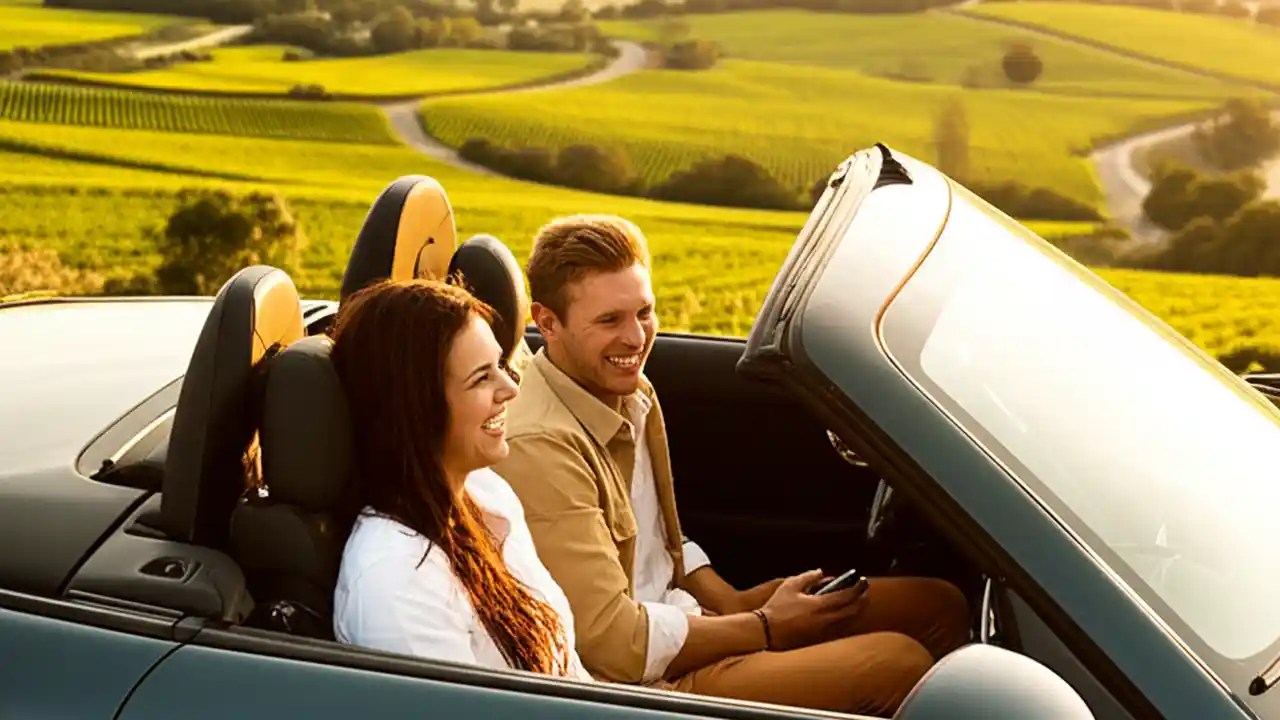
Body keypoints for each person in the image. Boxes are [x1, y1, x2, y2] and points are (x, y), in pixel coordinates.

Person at [492, 215, 971, 716]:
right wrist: (764, 626)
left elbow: (659, 541)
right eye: (610, 321)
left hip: (687, 619)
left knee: (939, 606)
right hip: (650, 682)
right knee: (898, 666)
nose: (636, 339)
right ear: (547, 322)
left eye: (645, 312)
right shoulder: (541, 446)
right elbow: (613, 645)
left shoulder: (630, 393)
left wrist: (733, 602)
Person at [329, 278, 591, 682]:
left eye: (501, 366)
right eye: (481, 378)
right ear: (418, 407)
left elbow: (568, 673)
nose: (510, 388)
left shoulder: (485, 492)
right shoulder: (395, 581)